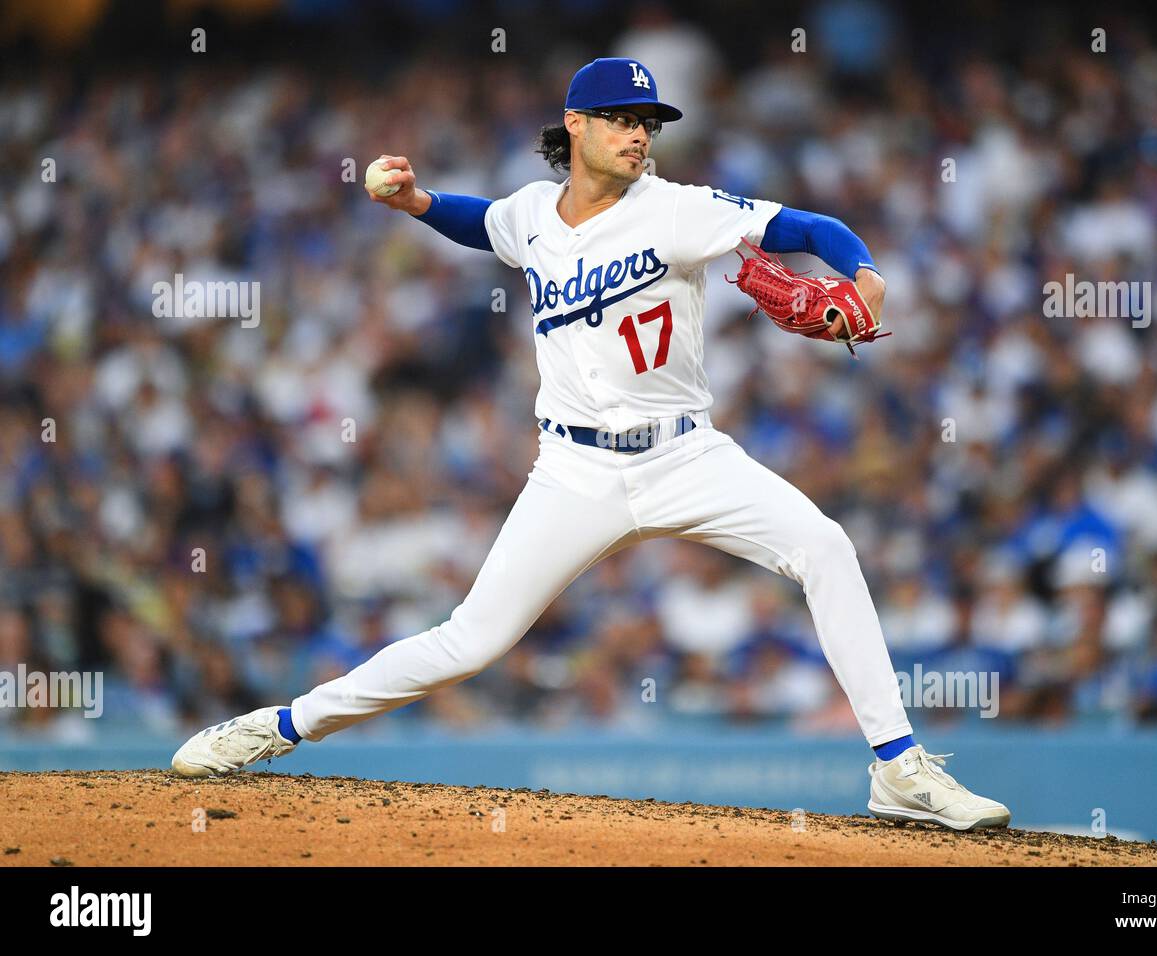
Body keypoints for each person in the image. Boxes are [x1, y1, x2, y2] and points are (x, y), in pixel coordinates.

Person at [172, 57, 1010, 831]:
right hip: (573, 470)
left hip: (687, 457)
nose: (638, 132)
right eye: (619, 117)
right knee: (471, 640)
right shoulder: (534, 214)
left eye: (648, 119)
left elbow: (811, 227)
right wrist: (418, 204)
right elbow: (485, 223)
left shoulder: (679, 208)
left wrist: (864, 277)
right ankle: (275, 726)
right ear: (575, 124)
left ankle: (899, 768)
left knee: (825, 547)